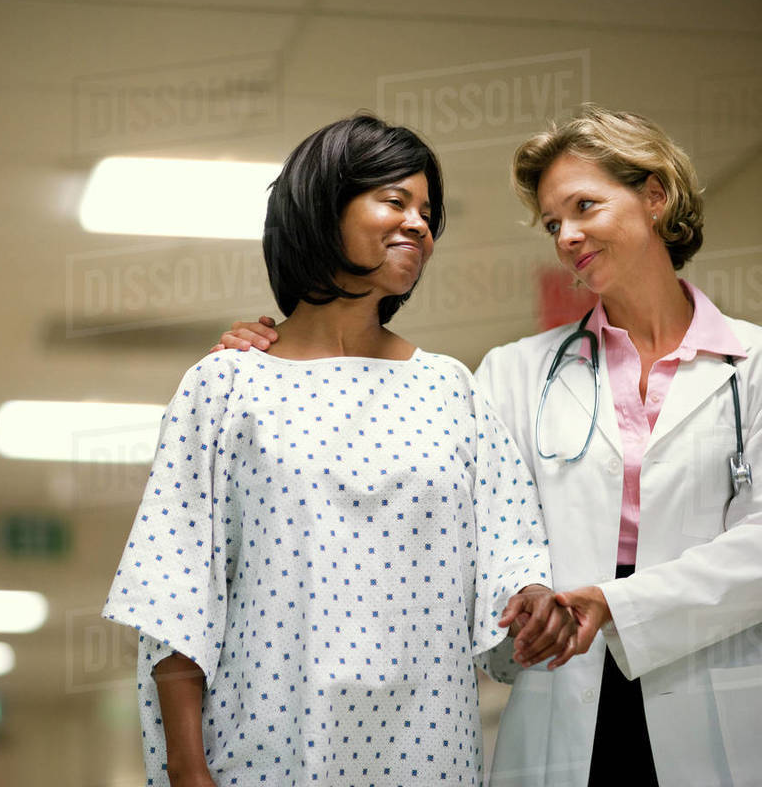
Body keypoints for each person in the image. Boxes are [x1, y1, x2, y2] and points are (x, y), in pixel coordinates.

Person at [212, 105, 762, 786]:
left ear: (656, 196)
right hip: (564, 687)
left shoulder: (755, 367)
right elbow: (442, 516)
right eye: (553, 221)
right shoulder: (513, 373)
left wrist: (616, 604)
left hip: (714, 688)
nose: (567, 235)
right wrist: (285, 353)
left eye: (584, 206)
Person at [102, 114, 576, 787]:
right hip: (265, 754)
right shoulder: (226, 385)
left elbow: (511, 546)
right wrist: (187, 768)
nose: (419, 225)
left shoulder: (450, 390)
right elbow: (173, 595)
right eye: (395, 201)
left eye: (428, 212)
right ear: (325, 209)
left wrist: (528, 594)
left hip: (426, 752)